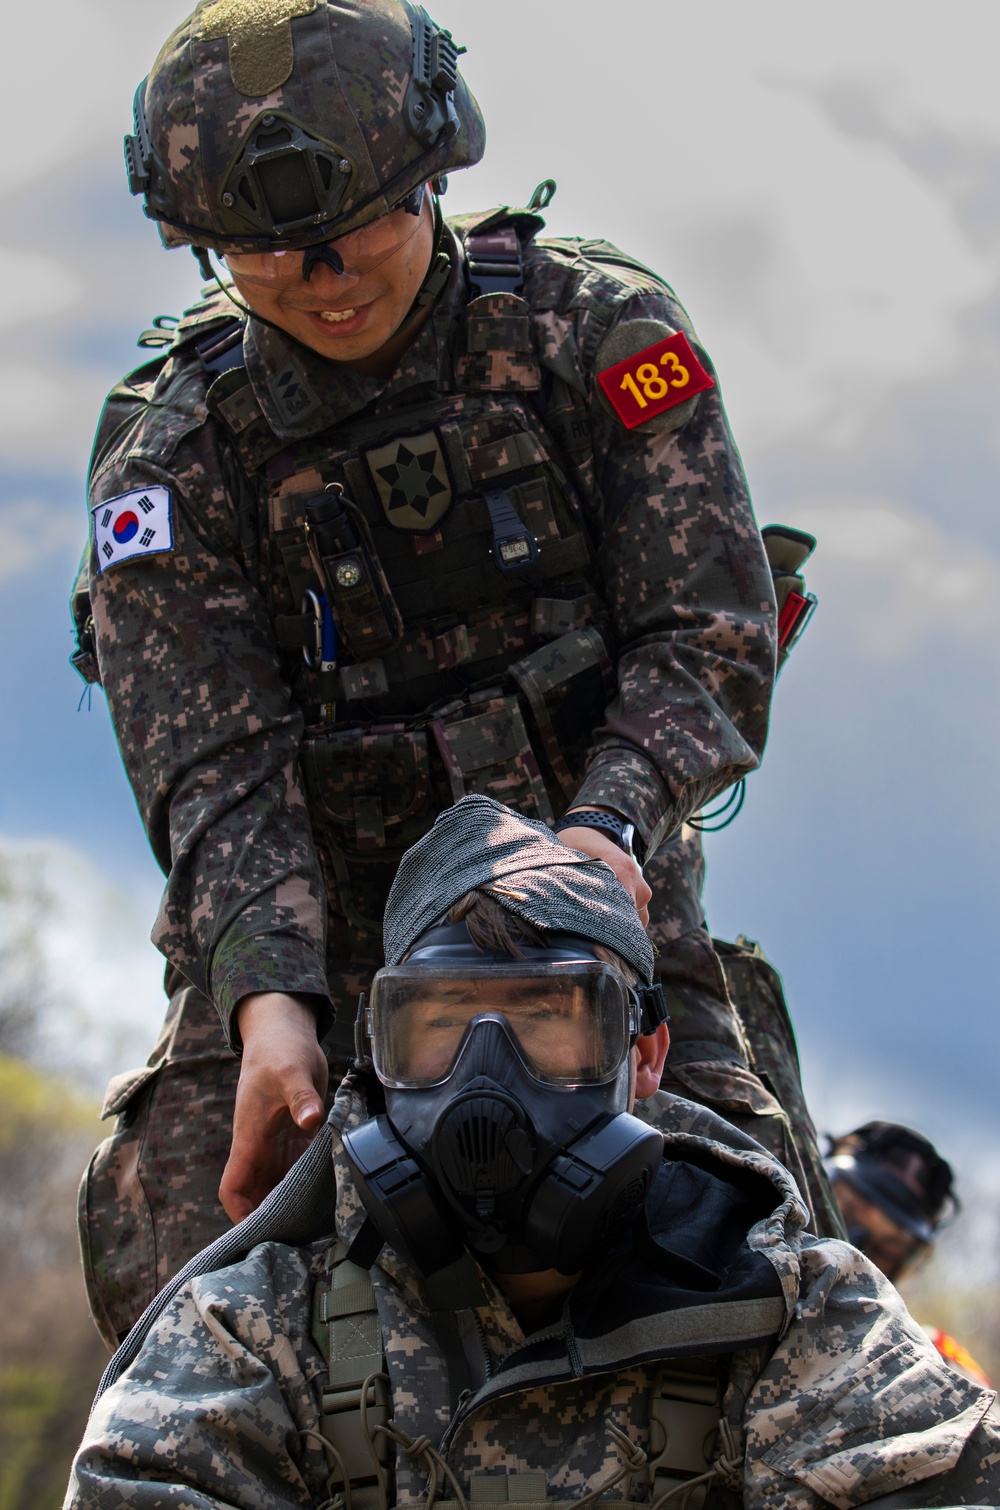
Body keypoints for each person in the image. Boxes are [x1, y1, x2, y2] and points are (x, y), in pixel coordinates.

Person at [71, 0, 826, 1349]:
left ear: (431, 174)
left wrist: (606, 843)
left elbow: (708, 633)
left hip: (596, 902)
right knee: (183, 1246)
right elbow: (215, 769)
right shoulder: (173, 462)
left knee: (746, 1238)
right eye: (267, 255)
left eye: (354, 223)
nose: (325, 276)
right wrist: (269, 1008)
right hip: (325, 944)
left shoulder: (592, 338)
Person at [66, 799, 1000, 1509]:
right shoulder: (256, 1323)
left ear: (643, 1058)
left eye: (546, 1017)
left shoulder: (787, 1309)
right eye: (438, 1026)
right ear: (381, 1061)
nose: (485, 1077)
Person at [828, 1121, 992, 1387]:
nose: (852, 1255)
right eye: (842, 1216)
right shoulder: (748, 1255)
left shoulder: (933, 1363)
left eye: (882, 1250)